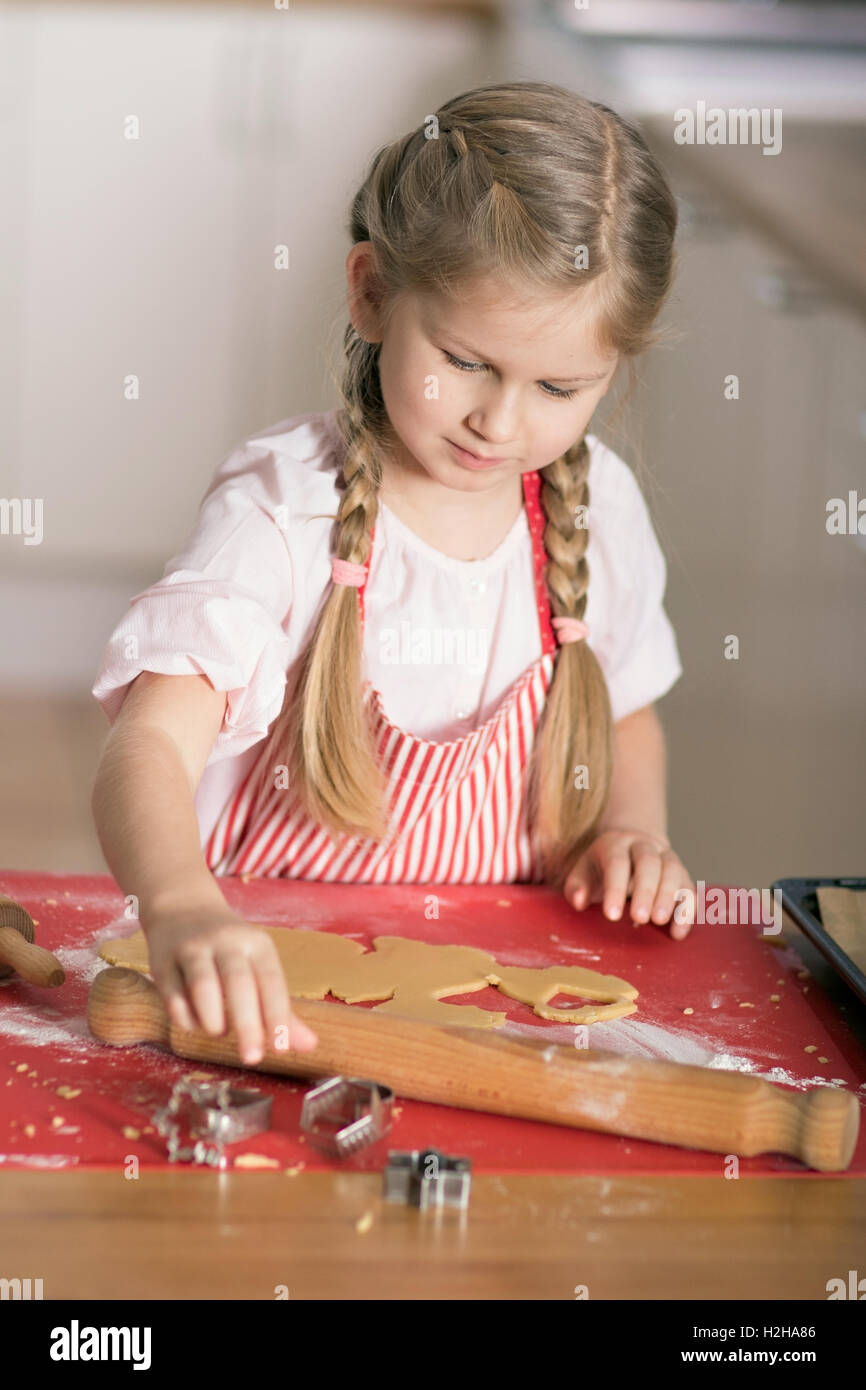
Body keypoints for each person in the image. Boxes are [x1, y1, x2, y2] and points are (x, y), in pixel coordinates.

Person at [91, 80, 696, 1066]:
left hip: (502, 1022)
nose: (498, 422)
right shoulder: (284, 509)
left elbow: (622, 710)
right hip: (268, 1007)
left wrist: (622, 832)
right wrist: (180, 905)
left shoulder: (597, 511)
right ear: (371, 291)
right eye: (463, 360)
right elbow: (148, 745)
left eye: (556, 387)